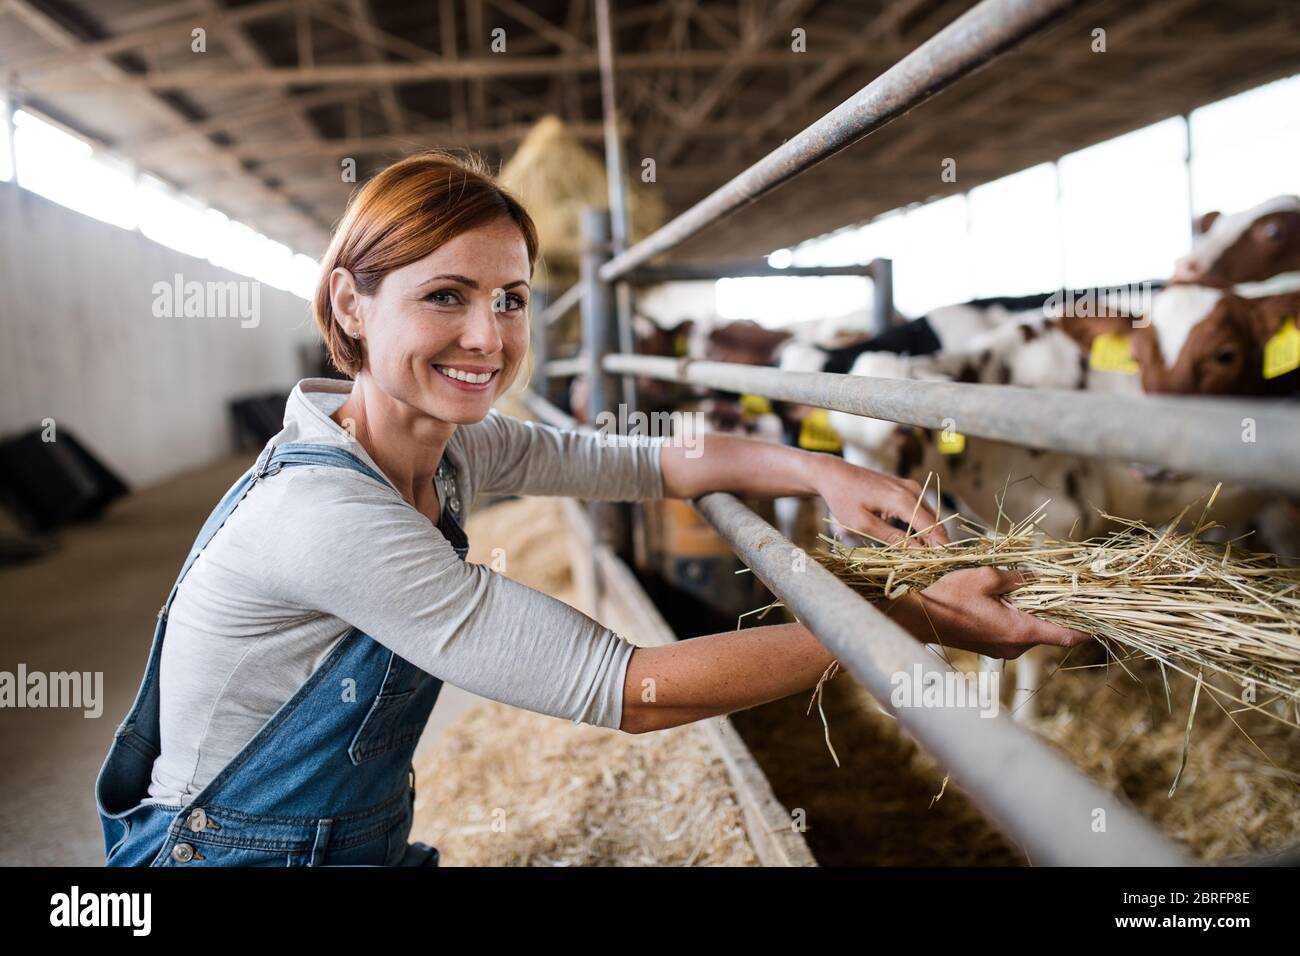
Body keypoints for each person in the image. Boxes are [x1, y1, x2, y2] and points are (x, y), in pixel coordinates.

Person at [95, 150, 1084, 867]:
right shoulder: (323, 512)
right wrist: (911, 620)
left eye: (512, 298)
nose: (488, 337)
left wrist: (815, 469)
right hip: (222, 858)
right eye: (445, 295)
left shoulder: (444, 443)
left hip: (350, 845)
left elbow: (642, 461)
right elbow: (637, 689)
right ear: (351, 306)